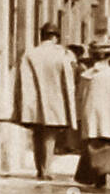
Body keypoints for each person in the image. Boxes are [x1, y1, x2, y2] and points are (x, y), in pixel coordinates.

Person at [14, 23, 77, 179]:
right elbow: (69, 80)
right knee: (50, 135)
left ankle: (40, 168)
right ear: (55, 37)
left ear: (42, 35)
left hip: (34, 102)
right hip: (55, 101)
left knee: (37, 134)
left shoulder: (30, 54)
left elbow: (21, 81)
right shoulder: (63, 55)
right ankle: (47, 169)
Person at [73, 37, 110, 190]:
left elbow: (79, 97)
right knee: (107, 147)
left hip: (90, 117)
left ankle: (98, 176)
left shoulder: (86, 75)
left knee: (94, 147)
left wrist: (79, 117)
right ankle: (101, 176)